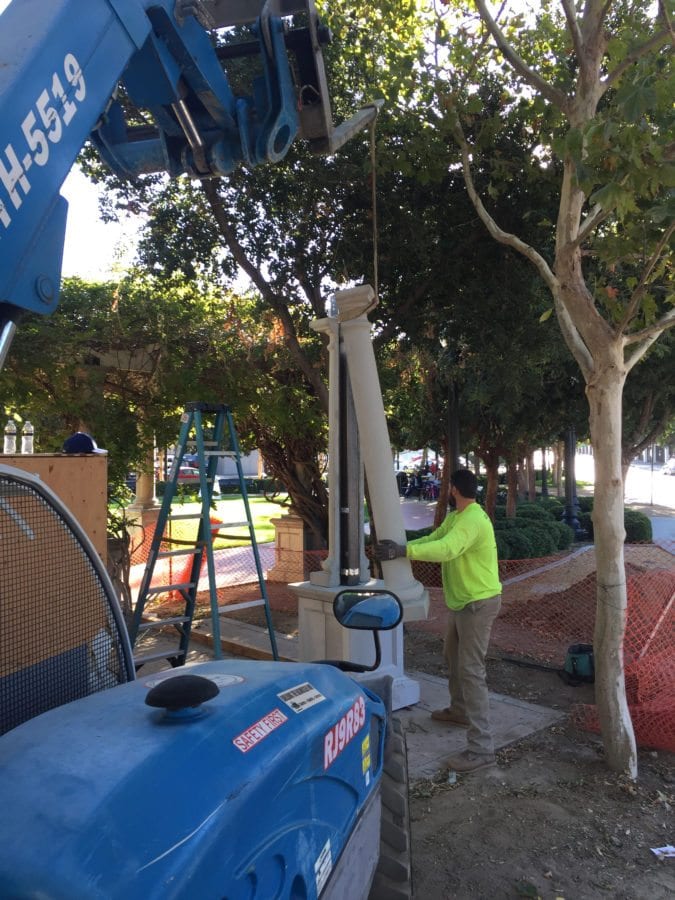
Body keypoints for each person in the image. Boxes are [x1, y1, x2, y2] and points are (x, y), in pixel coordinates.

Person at [374, 468, 502, 773]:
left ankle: (482, 748)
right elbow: (436, 538)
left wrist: (403, 550)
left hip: (478, 604)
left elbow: (446, 549)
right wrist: (403, 549)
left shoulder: (471, 520)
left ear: (453, 490)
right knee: (452, 656)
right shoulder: (457, 517)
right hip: (464, 603)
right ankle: (460, 711)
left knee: (471, 671)